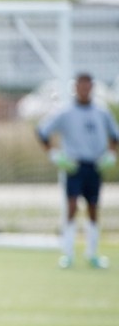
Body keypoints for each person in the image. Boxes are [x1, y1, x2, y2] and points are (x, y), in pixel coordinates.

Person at [36, 72, 119, 269]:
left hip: (95, 165)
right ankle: (68, 253)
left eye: (87, 85)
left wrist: (111, 155)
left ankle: (92, 253)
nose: (84, 89)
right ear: (76, 88)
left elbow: (115, 135)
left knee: (93, 208)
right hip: (74, 166)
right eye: (81, 86)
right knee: (72, 207)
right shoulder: (65, 112)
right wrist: (53, 154)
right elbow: (42, 132)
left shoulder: (102, 111)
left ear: (92, 87)